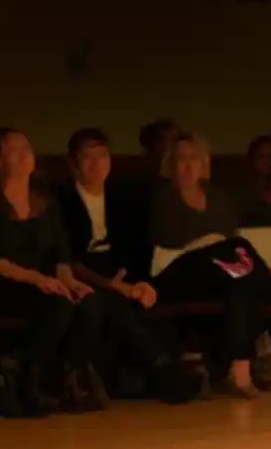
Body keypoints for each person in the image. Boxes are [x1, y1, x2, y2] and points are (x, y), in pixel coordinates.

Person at [149, 131, 271, 398]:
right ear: (170, 164)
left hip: (219, 272)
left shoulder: (218, 197)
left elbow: (231, 233)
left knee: (240, 277)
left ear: (203, 163)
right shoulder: (163, 198)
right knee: (236, 251)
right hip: (179, 273)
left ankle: (240, 370)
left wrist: (217, 244)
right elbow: (170, 240)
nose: (188, 165)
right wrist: (214, 243)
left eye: (194, 158)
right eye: (181, 159)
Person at [0, 128, 107, 414]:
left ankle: (69, 375)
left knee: (88, 301)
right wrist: (40, 280)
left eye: (26, 148)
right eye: (13, 150)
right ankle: (30, 376)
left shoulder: (45, 200)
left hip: (43, 281)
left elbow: (60, 254)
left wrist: (68, 281)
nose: (24, 155)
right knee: (57, 303)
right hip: (2, 283)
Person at [55, 128, 201, 403]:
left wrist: (141, 282)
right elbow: (66, 257)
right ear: (73, 162)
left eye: (103, 156)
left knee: (148, 298)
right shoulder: (62, 200)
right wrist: (112, 284)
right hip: (83, 274)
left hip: (119, 271)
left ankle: (155, 370)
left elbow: (135, 247)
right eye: (88, 157)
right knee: (111, 302)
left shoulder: (122, 197)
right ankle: (164, 369)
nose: (97, 164)